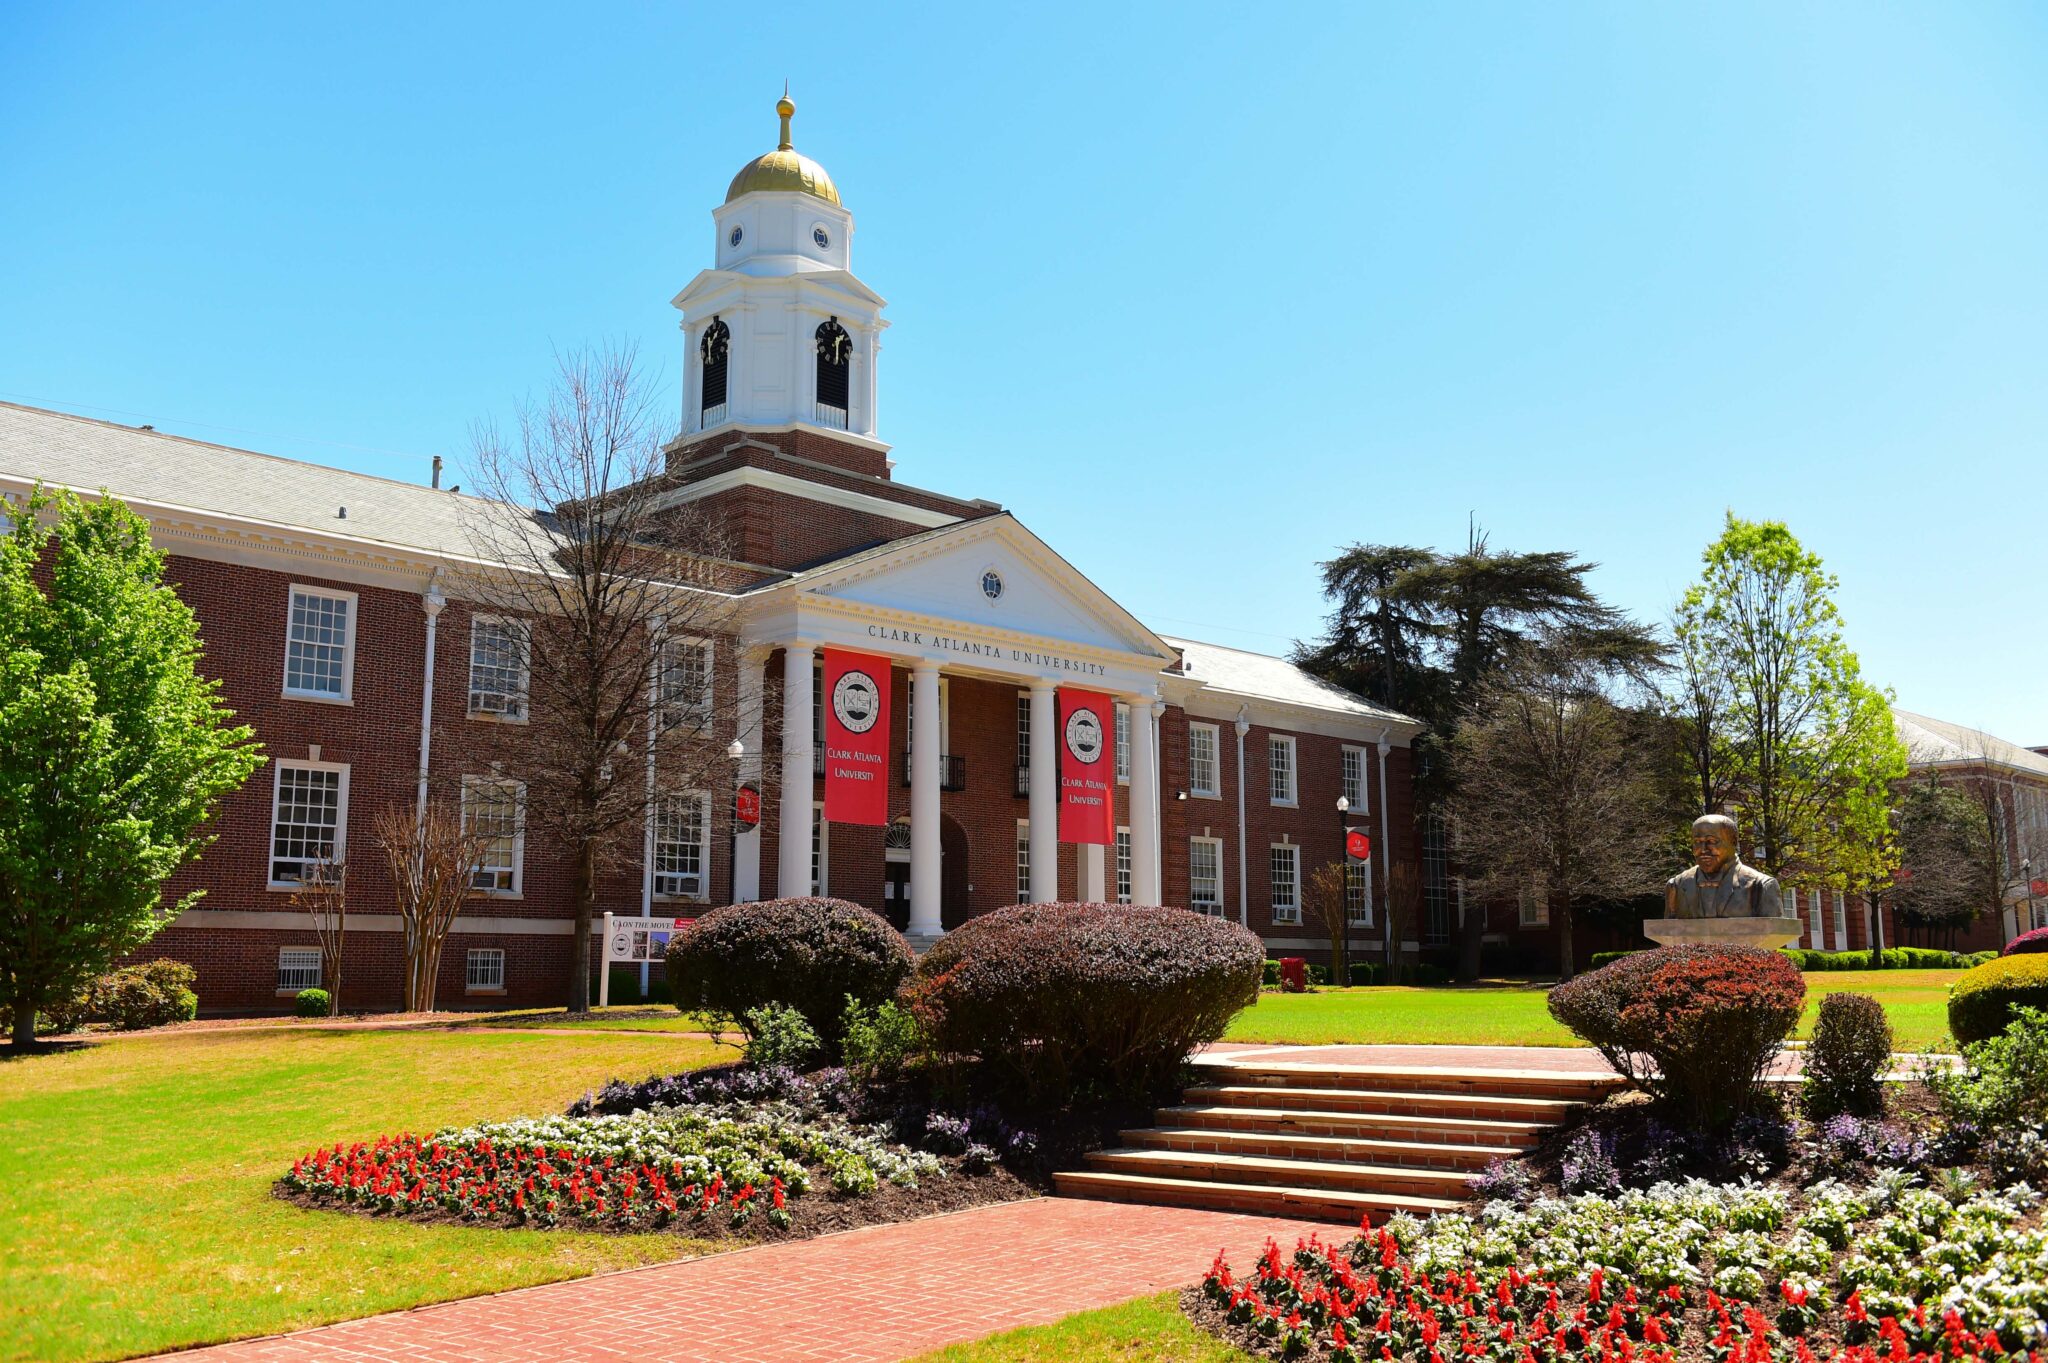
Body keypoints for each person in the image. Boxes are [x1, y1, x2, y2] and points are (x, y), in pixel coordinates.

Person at [1665, 813, 1782, 918]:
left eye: (1711, 841)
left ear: (1734, 842)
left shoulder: (1761, 886)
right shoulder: (1676, 886)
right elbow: (1668, 936)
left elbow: (1773, 937)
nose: (1703, 849)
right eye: (1697, 842)